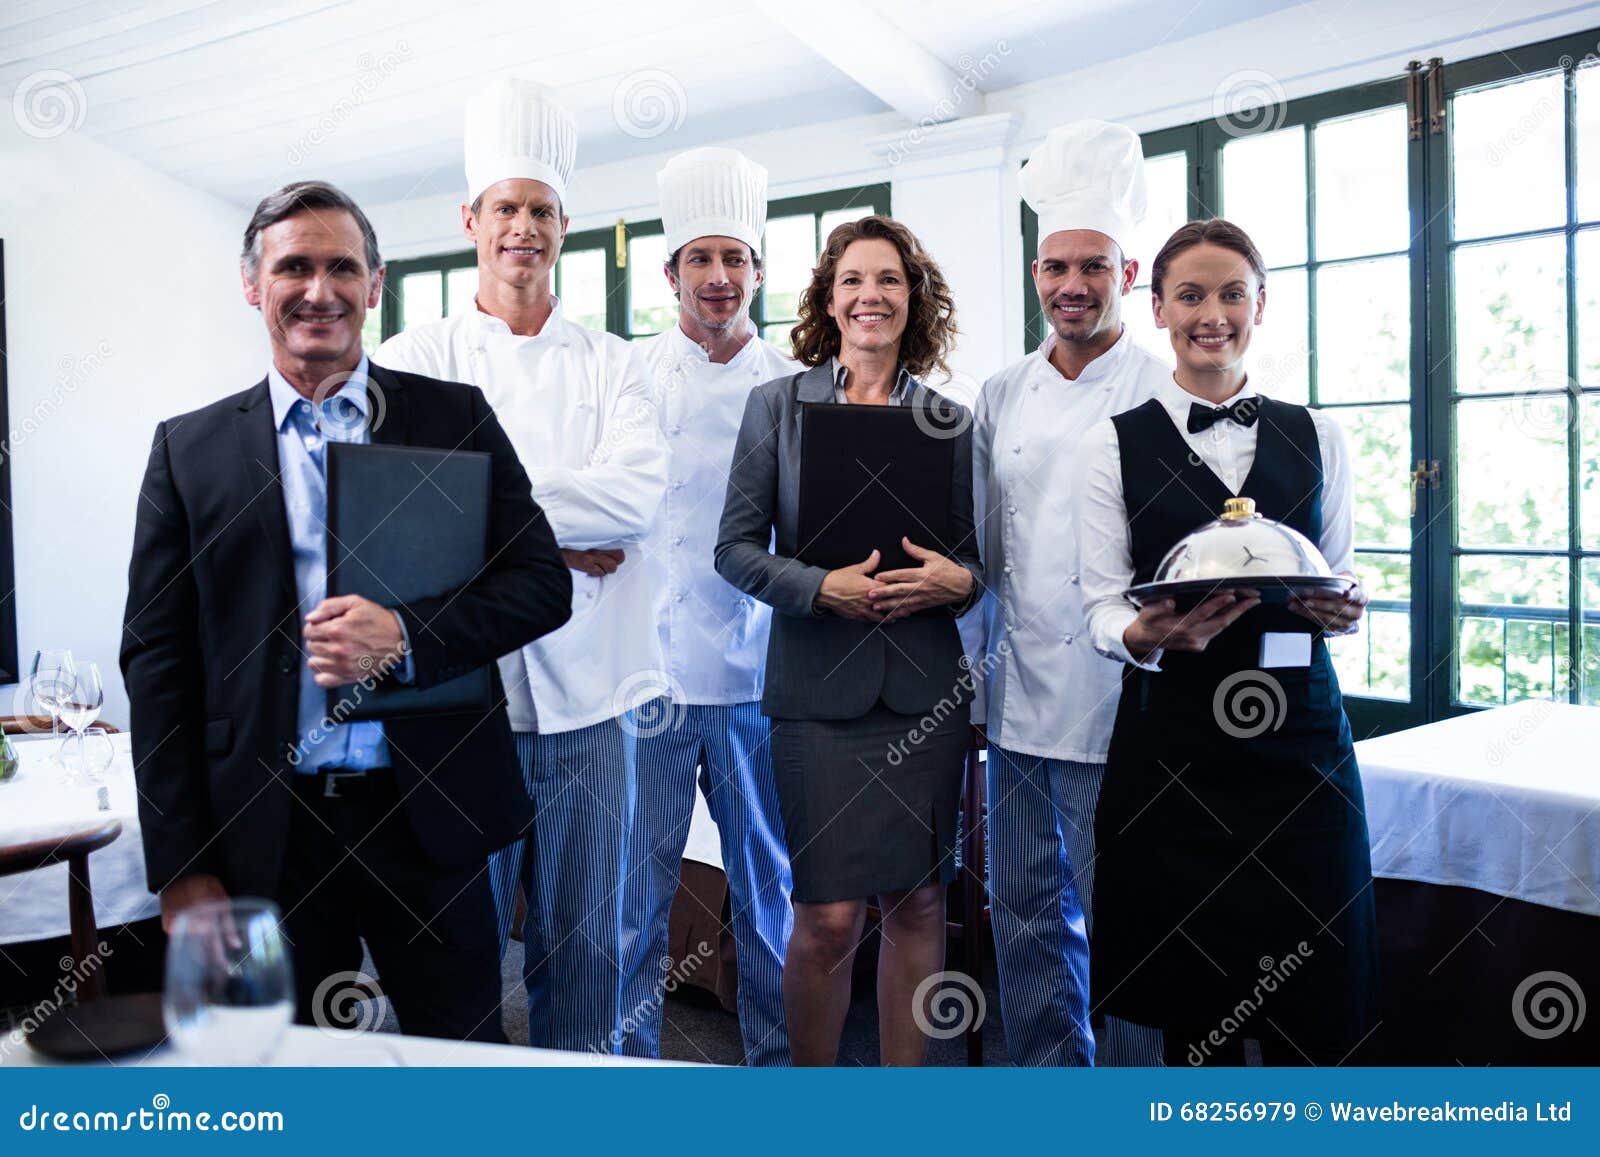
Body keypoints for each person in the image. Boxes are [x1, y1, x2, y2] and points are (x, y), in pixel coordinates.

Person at [121, 180, 572, 1041]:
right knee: (279, 1070)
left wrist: (407, 636)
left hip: (426, 815)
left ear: (375, 285)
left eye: (342, 267)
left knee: (467, 1059)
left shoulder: (452, 417)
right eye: (294, 266)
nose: (319, 290)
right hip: (265, 833)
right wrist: (181, 866)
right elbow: (156, 662)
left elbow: (540, 581)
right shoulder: (189, 450)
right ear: (254, 283)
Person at [373, 78, 668, 1053]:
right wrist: (548, 538)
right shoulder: (416, 354)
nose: (523, 227)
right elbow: (406, 523)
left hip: (593, 708)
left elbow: (636, 500)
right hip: (460, 706)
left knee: (583, 952)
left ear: (564, 225)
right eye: (506, 207)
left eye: (541, 210)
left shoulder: (616, 361)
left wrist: (485, 512)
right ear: (471, 219)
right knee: (456, 958)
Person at [1078, 218, 1378, 1067]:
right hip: (1175, 751)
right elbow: (1100, 606)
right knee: (1193, 1010)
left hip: (1302, 750)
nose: (1213, 313)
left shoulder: (1319, 432)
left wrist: (1349, 607)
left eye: (1232, 293)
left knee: (1314, 1004)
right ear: (1159, 308)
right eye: (1192, 295)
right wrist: (1146, 630)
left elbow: (1347, 572)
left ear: (1261, 304)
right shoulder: (1112, 442)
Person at [716, 215, 982, 1066]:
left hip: (924, 692)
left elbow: (979, 561)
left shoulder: (951, 419)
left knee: (919, 905)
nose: (873, 295)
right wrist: (818, 587)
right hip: (817, 698)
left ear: (914, 298)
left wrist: (962, 582)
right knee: (825, 916)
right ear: (829, 300)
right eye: (855, 280)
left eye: (890, 280)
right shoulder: (778, 407)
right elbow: (734, 548)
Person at [964, 119, 1169, 1067]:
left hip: (1120, 700)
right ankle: (1054, 1083)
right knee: (1024, 910)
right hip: (1012, 699)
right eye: (1055, 267)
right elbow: (980, 549)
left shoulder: (1163, 390)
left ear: (1127, 275)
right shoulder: (1001, 392)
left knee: (1123, 911)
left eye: (1093, 265)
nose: (1072, 285)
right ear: (1036, 275)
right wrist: (968, 681)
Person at [622, 147, 797, 1064]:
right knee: (636, 898)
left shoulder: (798, 384)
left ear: (758, 271)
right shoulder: (628, 377)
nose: (719, 278)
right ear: (671, 273)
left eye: (735, 259)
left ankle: (779, 1077)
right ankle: (630, 1081)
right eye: (701, 259)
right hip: (648, 677)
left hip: (757, 680)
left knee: (767, 894)